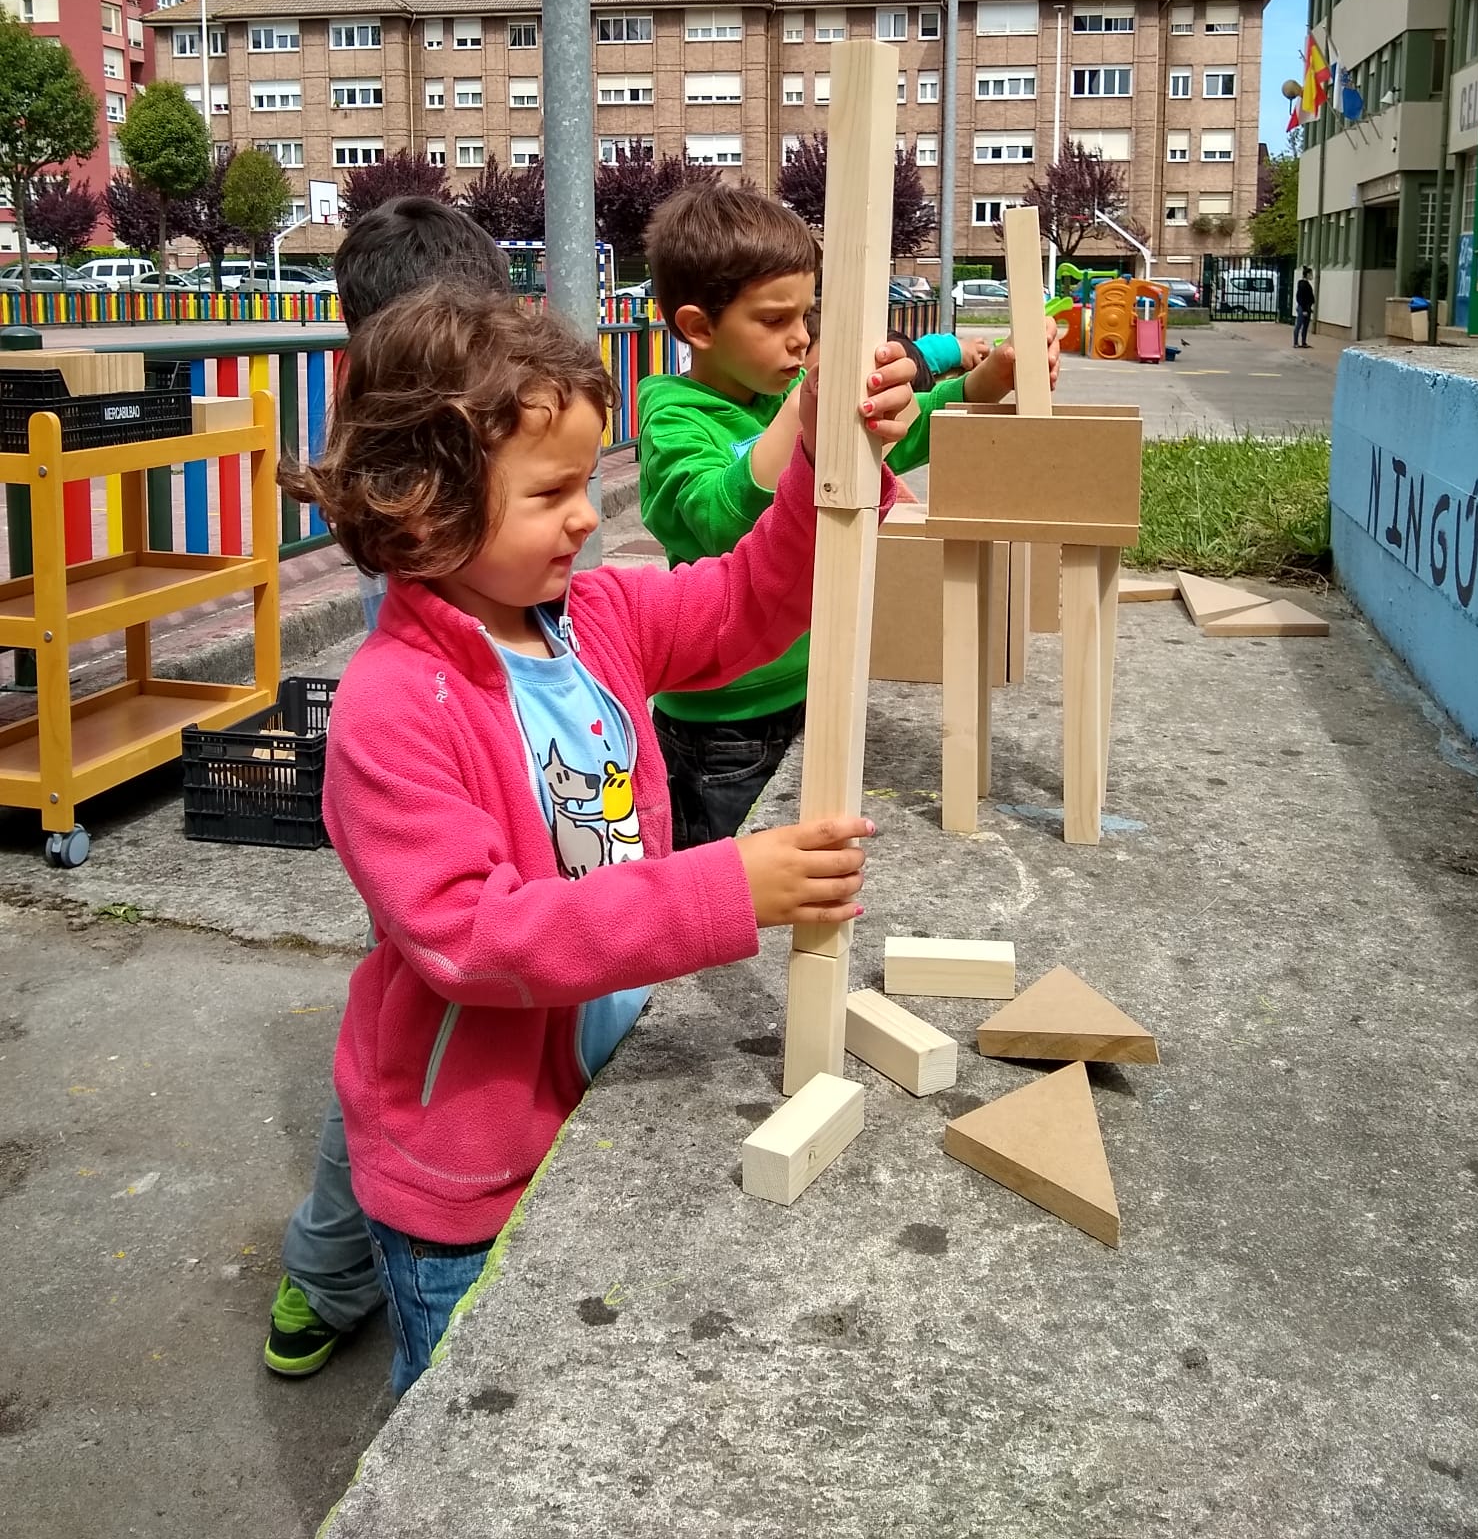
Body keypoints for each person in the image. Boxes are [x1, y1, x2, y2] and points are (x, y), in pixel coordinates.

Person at [281, 284, 915, 1397]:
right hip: (467, 1167)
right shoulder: (393, 707)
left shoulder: (596, 619)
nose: (590, 513)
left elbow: (748, 602)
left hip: (588, 1091)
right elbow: (475, 938)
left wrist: (823, 454)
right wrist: (724, 887)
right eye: (554, 492)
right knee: (477, 1418)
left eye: (590, 480)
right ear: (423, 506)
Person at [265, 199, 515, 1381]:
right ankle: (327, 1269)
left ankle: (328, 1272)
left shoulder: (422, 400)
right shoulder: (406, 452)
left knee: (424, 1023)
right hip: (428, 779)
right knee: (415, 1027)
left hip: (480, 767)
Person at [638, 185, 1060, 848]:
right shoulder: (673, 415)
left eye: (807, 315)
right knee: (697, 882)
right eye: (775, 320)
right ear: (698, 327)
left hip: (808, 689)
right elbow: (723, 514)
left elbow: (893, 438)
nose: (801, 337)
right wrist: (811, 405)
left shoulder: (773, 396)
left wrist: (986, 382)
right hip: (719, 724)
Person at [1294, 266, 1316, 349]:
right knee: (1299, 325)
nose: (1312, 276)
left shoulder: (1306, 284)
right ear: (1307, 274)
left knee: (1305, 326)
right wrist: (1303, 309)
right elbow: (1300, 297)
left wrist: (1309, 308)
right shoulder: (1303, 284)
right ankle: (1296, 342)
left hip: (1307, 307)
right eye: (1311, 274)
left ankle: (1303, 342)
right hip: (1303, 308)